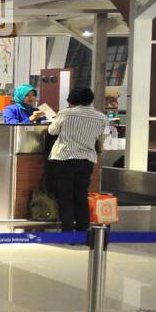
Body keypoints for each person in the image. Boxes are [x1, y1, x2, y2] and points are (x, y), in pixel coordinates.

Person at [47, 87, 111, 233]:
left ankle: (67, 233)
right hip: (86, 160)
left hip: (65, 158)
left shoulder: (65, 114)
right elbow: (104, 139)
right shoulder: (101, 117)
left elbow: (52, 131)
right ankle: (83, 231)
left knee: (65, 196)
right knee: (81, 195)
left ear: (72, 101)